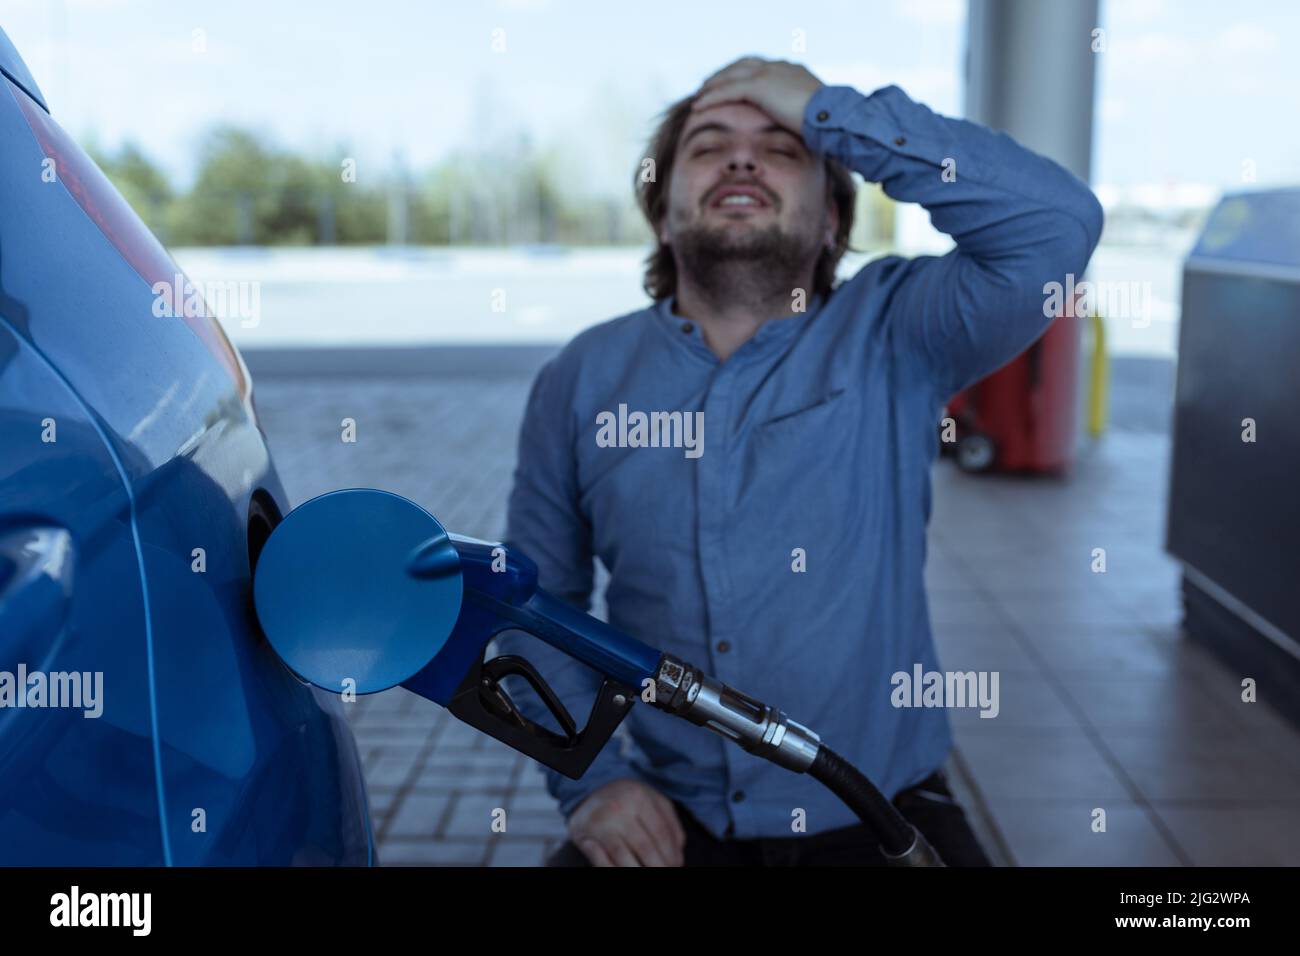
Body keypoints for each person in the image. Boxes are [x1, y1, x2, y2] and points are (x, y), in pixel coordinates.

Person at [493, 56, 1103, 866]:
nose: (742, 159)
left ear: (829, 224)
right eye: (709, 145)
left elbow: (1057, 225)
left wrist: (828, 111)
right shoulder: (580, 379)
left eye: (782, 149)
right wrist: (594, 780)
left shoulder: (897, 332)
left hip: (877, 811)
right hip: (669, 824)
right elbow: (534, 603)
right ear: (665, 217)